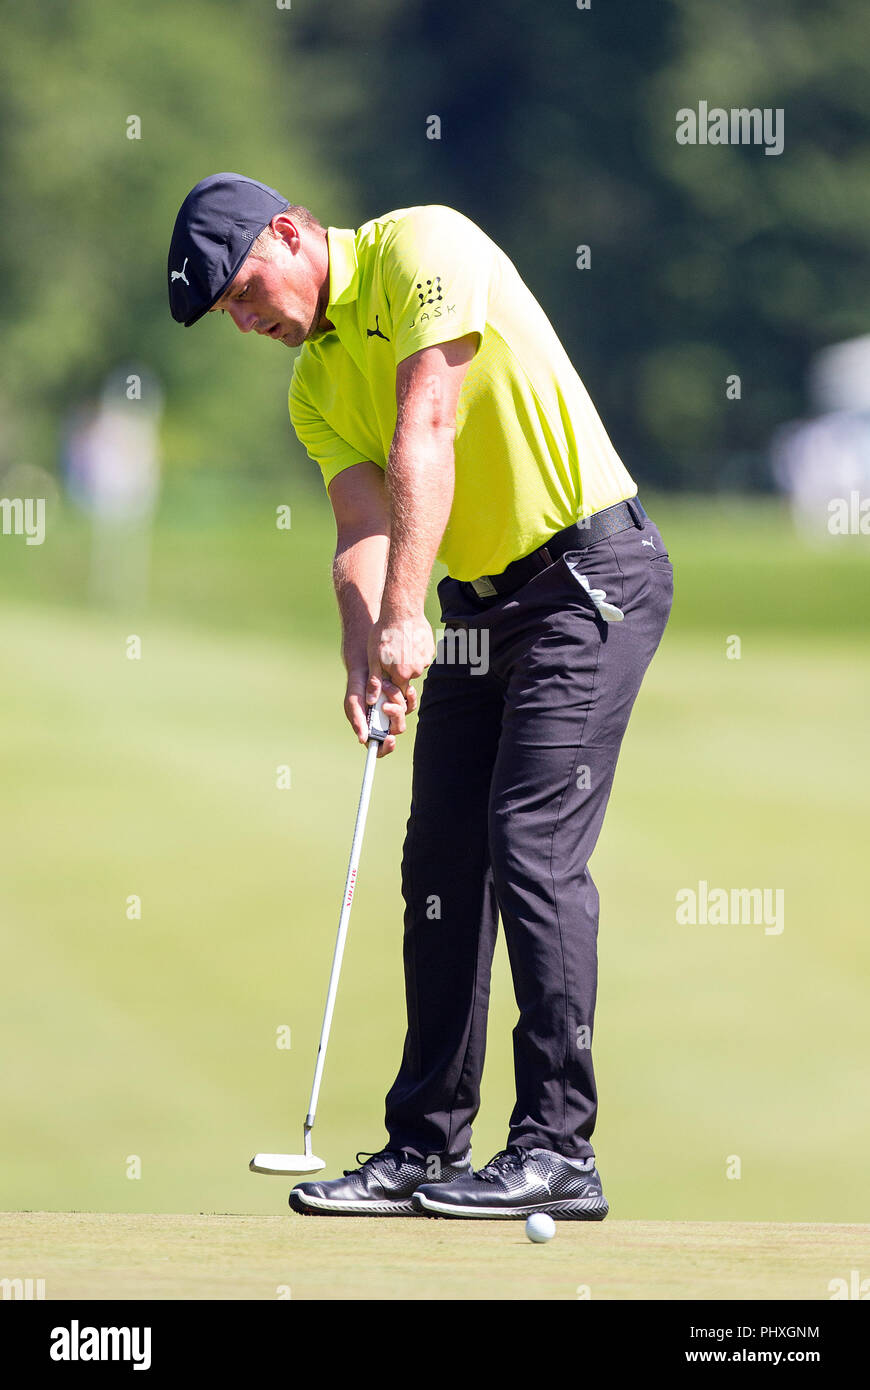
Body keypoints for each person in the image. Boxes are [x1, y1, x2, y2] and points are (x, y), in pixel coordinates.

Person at [168, 173, 673, 1220]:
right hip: (480, 603)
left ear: (290, 233)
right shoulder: (313, 385)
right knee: (439, 859)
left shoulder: (423, 248)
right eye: (227, 312)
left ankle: (558, 1149)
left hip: (588, 578)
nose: (246, 319)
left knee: (530, 843)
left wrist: (406, 614)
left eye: (244, 289)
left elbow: (427, 426)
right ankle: (425, 1148)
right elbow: (362, 527)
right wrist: (365, 648)